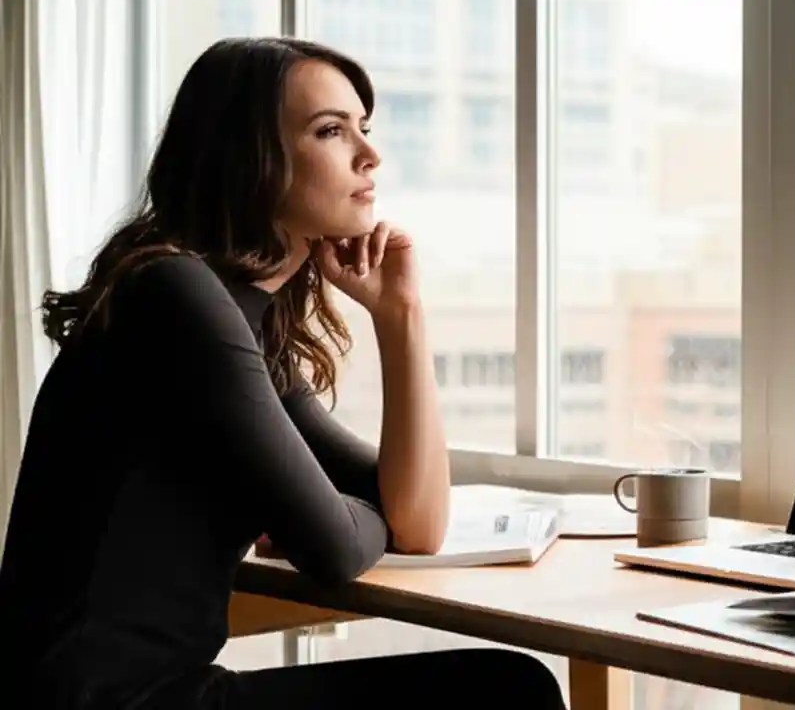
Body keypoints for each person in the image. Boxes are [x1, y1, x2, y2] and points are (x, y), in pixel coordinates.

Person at [0, 37, 565, 709]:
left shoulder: (243, 323)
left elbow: (418, 525)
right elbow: (332, 547)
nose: (369, 154)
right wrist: (330, 513)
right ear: (251, 160)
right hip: (119, 703)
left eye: (364, 127)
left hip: (148, 694)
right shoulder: (175, 293)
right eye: (330, 130)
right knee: (502, 691)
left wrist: (400, 317)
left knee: (501, 684)